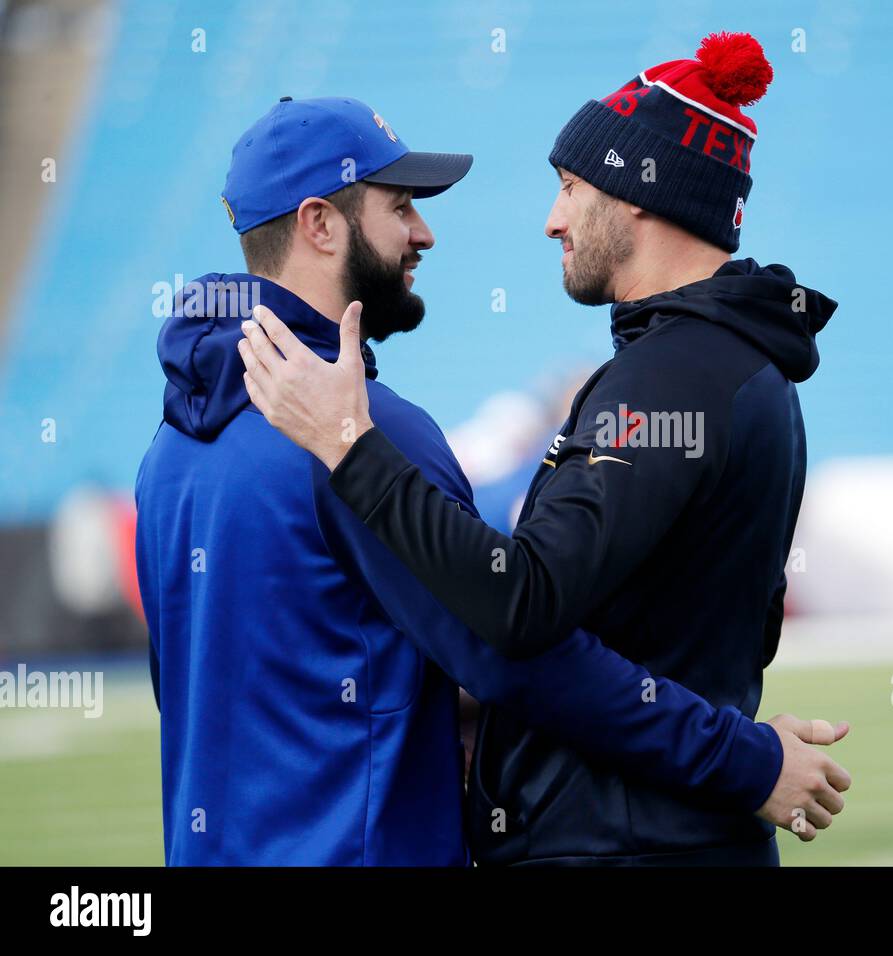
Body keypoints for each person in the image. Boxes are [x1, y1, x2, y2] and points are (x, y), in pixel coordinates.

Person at [136, 94, 849, 866]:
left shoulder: (169, 452)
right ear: (319, 223)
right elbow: (517, 652)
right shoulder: (369, 436)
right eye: (401, 206)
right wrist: (745, 760)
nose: (425, 233)